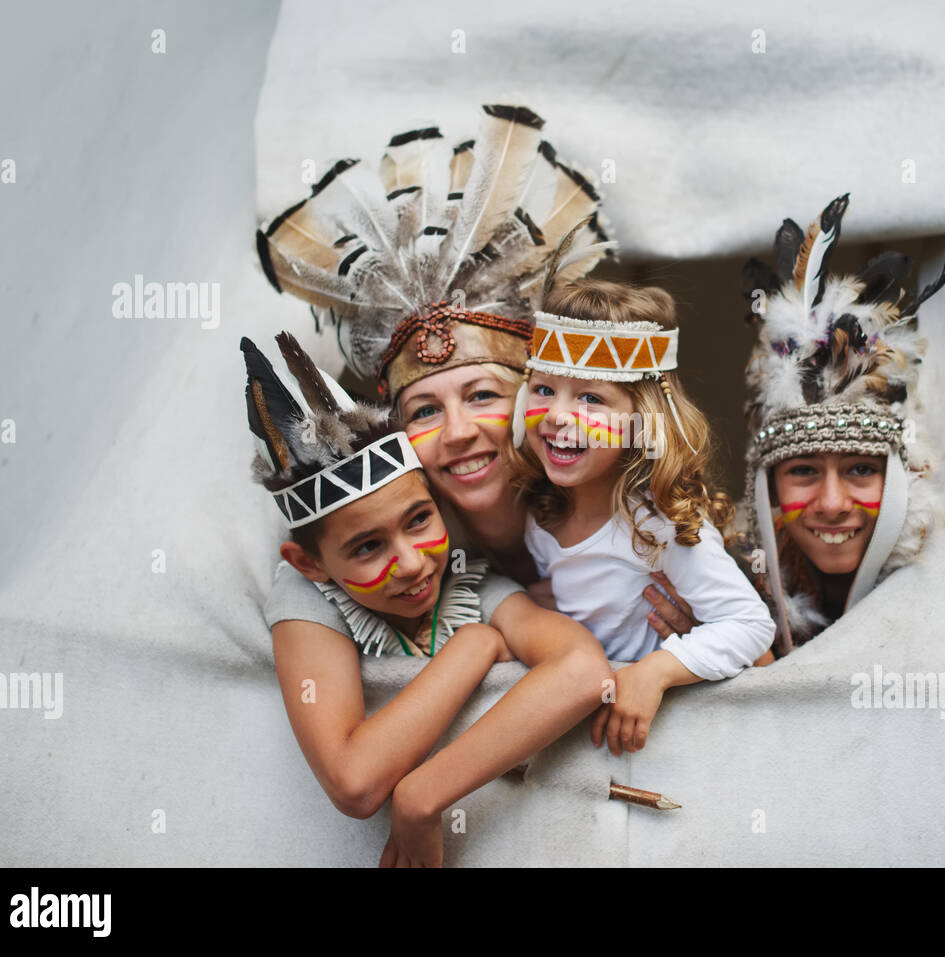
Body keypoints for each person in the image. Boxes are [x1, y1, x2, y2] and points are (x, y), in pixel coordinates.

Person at [255, 103, 695, 638]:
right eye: (424, 410)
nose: (459, 433)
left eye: (483, 396)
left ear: (536, 401)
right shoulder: (401, 556)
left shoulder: (644, 520)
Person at [242, 332, 611, 867]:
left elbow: (583, 672)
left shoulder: (467, 581)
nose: (412, 563)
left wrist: (420, 796)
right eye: (368, 547)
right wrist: (475, 646)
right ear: (310, 564)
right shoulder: (305, 600)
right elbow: (355, 782)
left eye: (419, 521)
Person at [509, 279, 776, 756]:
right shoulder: (541, 513)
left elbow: (751, 625)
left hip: (662, 740)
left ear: (643, 419)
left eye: (591, 398)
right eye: (544, 389)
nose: (557, 416)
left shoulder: (660, 524)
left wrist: (656, 671)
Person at [738, 193, 945, 654]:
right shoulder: (724, 593)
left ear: (905, 474)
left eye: (861, 468)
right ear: (767, 487)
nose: (834, 504)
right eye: (803, 470)